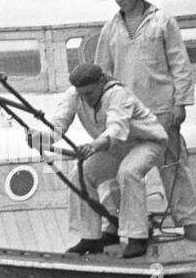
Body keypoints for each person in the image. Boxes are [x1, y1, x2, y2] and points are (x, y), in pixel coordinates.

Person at [94, 0, 196, 241]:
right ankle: (117, 220)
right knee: (121, 167)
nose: (119, 0)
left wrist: (180, 103)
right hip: (125, 113)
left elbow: (180, 64)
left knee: (172, 164)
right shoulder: (111, 28)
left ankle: (190, 220)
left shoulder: (163, 21)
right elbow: (102, 71)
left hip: (161, 108)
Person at [32, 62, 167, 258]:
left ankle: (138, 237)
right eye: (82, 94)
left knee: (129, 172)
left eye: (90, 93)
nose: (86, 99)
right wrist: (40, 138)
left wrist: (93, 146)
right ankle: (92, 237)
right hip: (115, 147)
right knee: (79, 175)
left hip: (146, 143)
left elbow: (116, 127)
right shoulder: (75, 94)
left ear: (101, 82)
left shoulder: (118, 94)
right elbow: (58, 124)